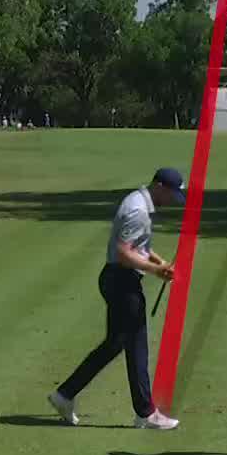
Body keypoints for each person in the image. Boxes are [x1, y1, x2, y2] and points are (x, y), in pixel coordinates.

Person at [48, 167, 185, 430]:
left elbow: (139, 245)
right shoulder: (138, 211)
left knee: (114, 344)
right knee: (137, 345)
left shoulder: (138, 201)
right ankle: (146, 413)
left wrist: (159, 261)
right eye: (171, 194)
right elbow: (124, 253)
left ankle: (64, 395)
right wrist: (157, 270)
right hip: (121, 280)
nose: (172, 201)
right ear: (159, 187)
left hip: (118, 279)